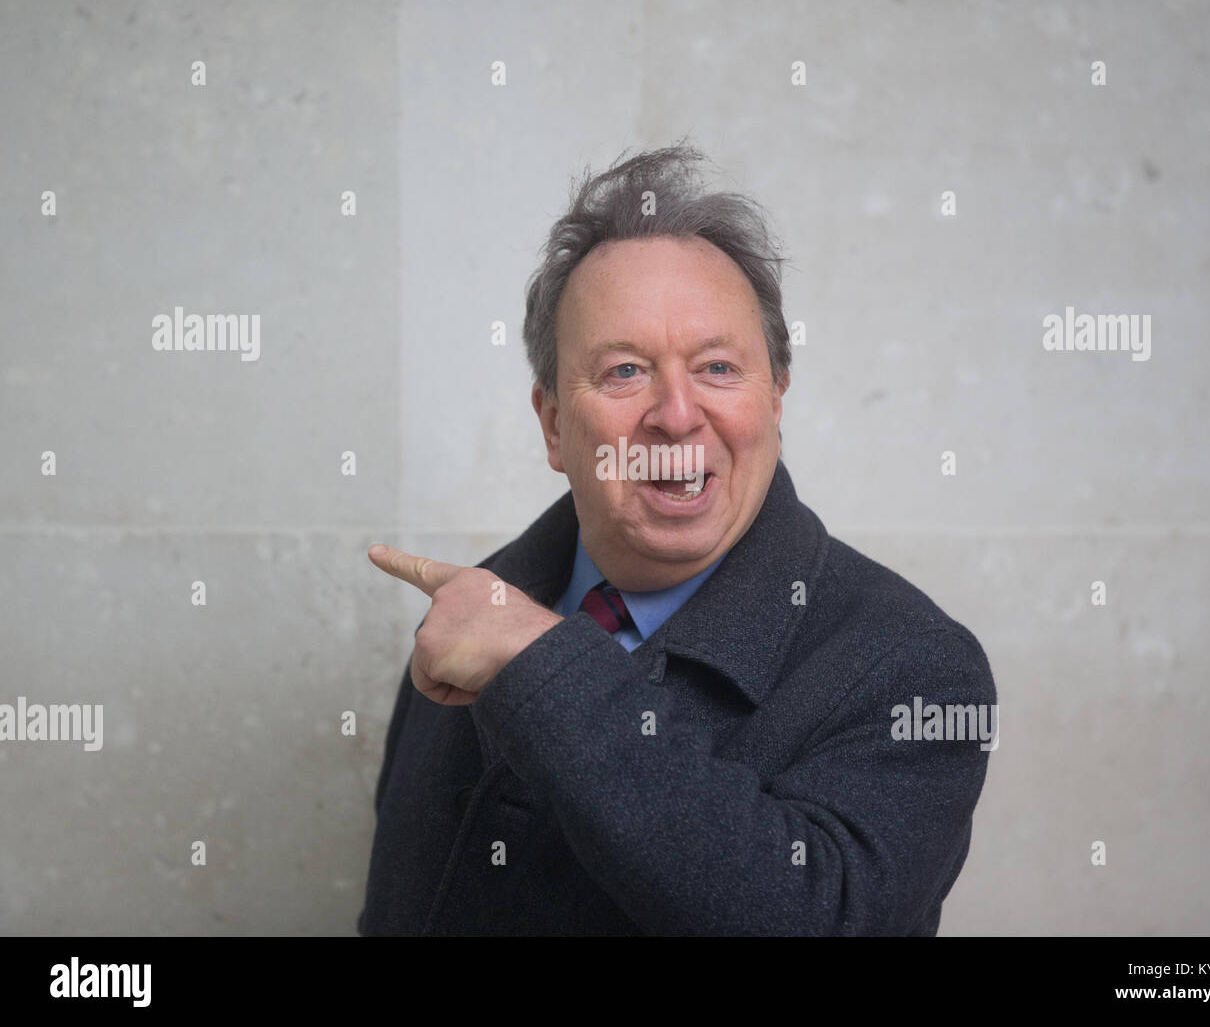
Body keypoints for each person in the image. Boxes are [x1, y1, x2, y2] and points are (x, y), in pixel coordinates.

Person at [357, 141, 996, 935]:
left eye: (719, 368)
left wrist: (543, 668)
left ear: (776, 401)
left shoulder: (915, 666)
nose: (678, 413)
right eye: (625, 371)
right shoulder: (470, 613)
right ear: (555, 424)